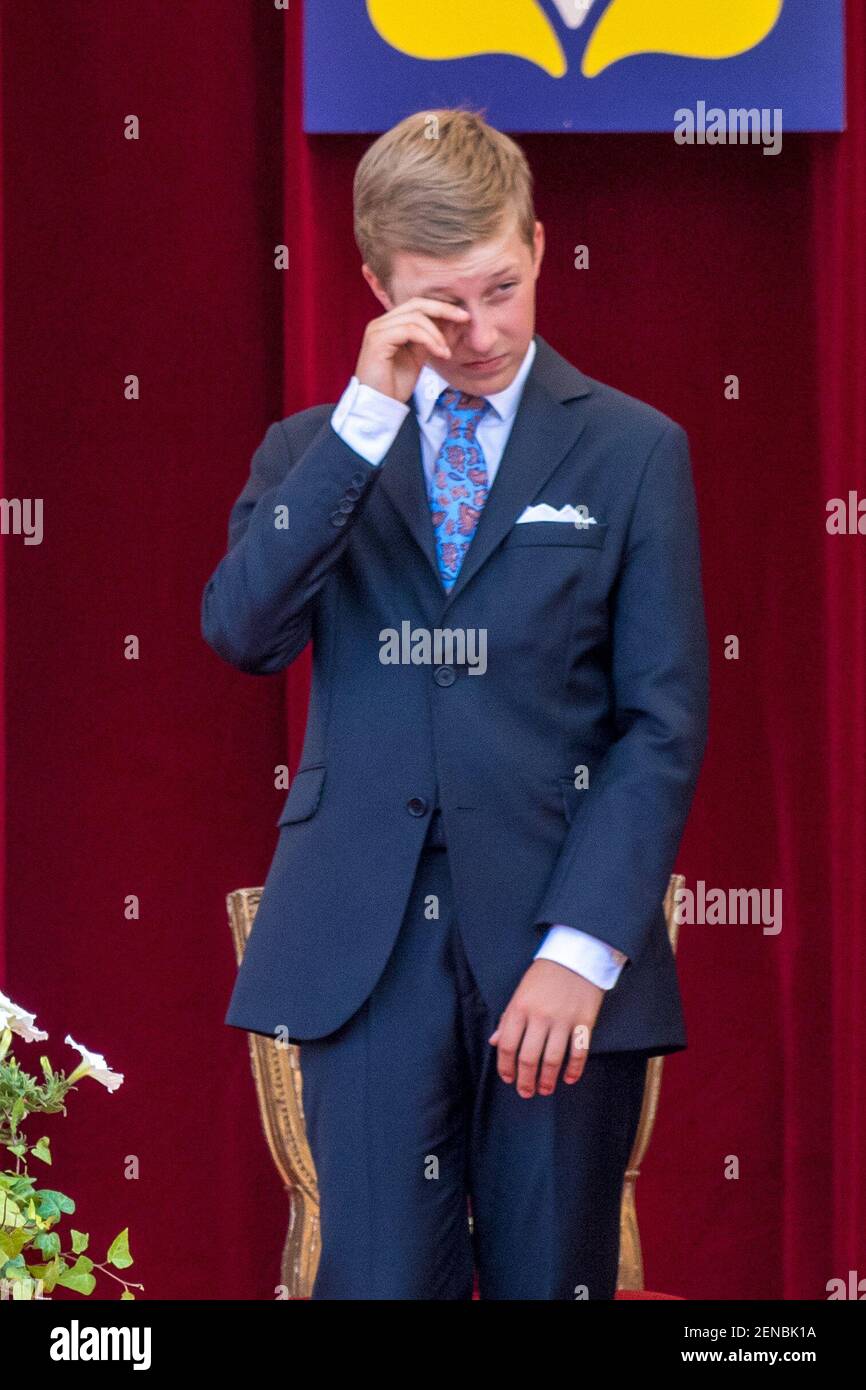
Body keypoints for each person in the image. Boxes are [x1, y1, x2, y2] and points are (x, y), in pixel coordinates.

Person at [201, 107, 709, 1300]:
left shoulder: (635, 452)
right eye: (441, 304)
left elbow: (661, 722)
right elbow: (241, 632)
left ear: (536, 246)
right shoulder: (311, 452)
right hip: (362, 957)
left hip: (553, 949)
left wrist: (582, 951)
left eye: (500, 288)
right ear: (379, 288)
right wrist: (364, 423)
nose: (480, 332)